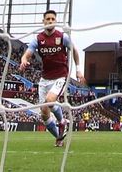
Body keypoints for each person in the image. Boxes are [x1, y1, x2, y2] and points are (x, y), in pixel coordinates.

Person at [19, 9, 85, 147]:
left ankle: (62, 121)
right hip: (45, 79)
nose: (50, 21)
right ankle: (59, 136)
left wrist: (78, 70)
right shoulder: (38, 39)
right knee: (44, 113)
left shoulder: (62, 37)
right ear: (43, 21)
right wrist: (24, 60)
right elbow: (27, 53)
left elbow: (74, 51)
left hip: (60, 76)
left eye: (52, 19)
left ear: (55, 21)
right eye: (47, 19)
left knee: (50, 101)